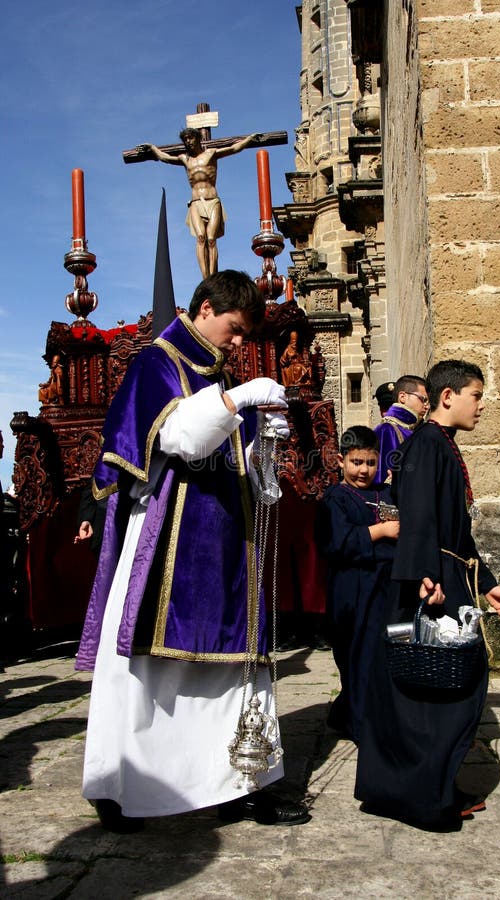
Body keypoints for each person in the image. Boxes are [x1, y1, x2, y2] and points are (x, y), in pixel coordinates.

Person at [75, 270, 309, 832]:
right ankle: (126, 790)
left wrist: (265, 446)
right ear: (205, 309)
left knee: (235, 669)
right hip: (166, 540)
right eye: (234, 329)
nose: (238, 343)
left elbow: (243, 469)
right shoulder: (156, 364)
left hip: (226, 541)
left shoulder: (221, 378)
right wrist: (241, 398)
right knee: (146, 672)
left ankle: (242, 782)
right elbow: (181, 438)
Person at [355, 359, 500, 830]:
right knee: (437, 693)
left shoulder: (441, 444)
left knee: (450, 690)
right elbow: (418, 514)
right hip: (432, 584)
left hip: (446, 573)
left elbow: (456, 530)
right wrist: (424, 575)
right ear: (448, 396)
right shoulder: (427, 444)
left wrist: (488, 585)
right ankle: (421, 795)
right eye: (476, 395)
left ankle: (430, 786)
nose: (481, 406)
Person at [316, 426, 399, 743]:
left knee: (378, 656)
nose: (364, 470)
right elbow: (335, 543)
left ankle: (351, 712)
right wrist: (381, 532)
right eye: (357, 462)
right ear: (341, 461)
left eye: (370, 463)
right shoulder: (336, 498)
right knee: (356, 657)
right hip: (352, 590)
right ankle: (360, 725)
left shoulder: (385, 494)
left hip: (384, 587)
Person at [144, 129, 259, 278]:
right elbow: (164, 157)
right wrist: (153, 148)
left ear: (197, 138)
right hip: (195, 202)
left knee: (211, 239)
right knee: (200, 237)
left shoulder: (210, 154)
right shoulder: (185, 159)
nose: (188, 141)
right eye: (185, 139)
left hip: (212, 200)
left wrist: (249, 139)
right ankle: (205, 277)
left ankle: (213, 275)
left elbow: (233, 149)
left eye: (191, 138)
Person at [374, 374, 429, 483]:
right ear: (402, 397)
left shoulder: (419, 429)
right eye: (423, 399)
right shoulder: (387, 430)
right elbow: (381, 479)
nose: (427, 406)